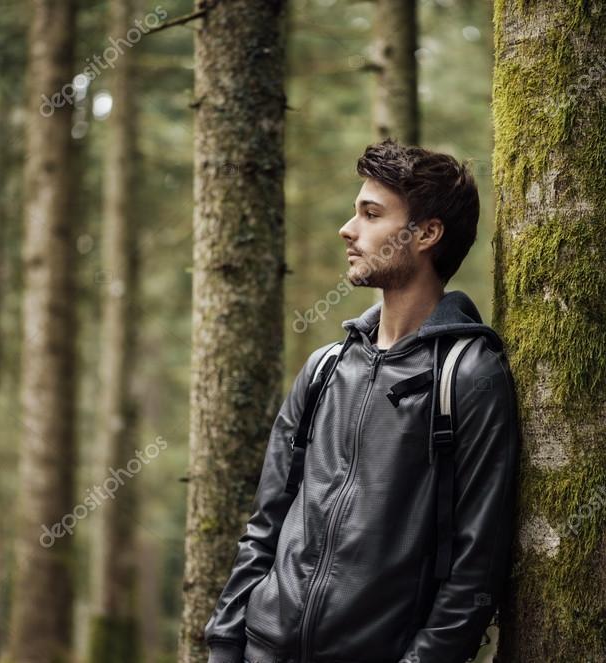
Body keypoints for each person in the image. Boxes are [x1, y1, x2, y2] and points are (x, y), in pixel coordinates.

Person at [203, 138, 520, 663]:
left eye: (371, 214)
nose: (347, 230)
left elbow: (476, 565)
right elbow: (266, 524)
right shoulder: (325, 369)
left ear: (427, 234)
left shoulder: (468, 375)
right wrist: (223, 644)